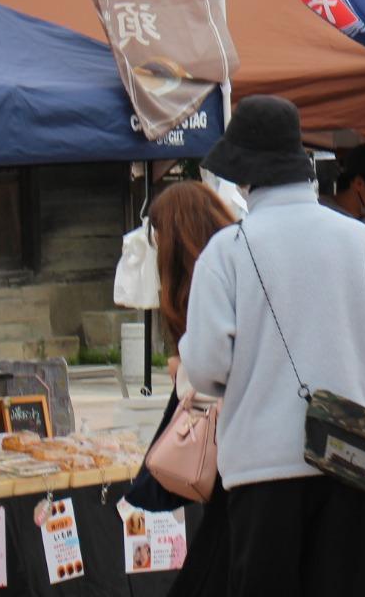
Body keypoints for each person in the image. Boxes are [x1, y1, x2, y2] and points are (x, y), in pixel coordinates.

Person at [179, 96, 365, 596]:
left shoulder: (227, 252)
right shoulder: (359, 242)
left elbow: (204, 368)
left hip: (260, 469)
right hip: (349, 463)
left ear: (245, 177)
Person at [126, 180, 238, 595]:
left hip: (239, 465)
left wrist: (181, 367)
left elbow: (210, 372)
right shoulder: (241, 262)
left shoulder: (210, 281)